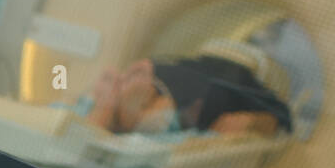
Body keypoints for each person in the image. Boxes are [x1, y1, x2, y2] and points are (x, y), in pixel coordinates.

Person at [77, 41, 293, 137]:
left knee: (155, 98)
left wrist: (250, 121)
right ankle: (122, 110)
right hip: (196, 100)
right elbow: (280, 116)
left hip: (161, 81)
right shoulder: (237, 77)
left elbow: (278, 116)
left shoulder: (167, 65)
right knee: (167, 110)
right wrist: (253, 121)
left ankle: (110, 108)